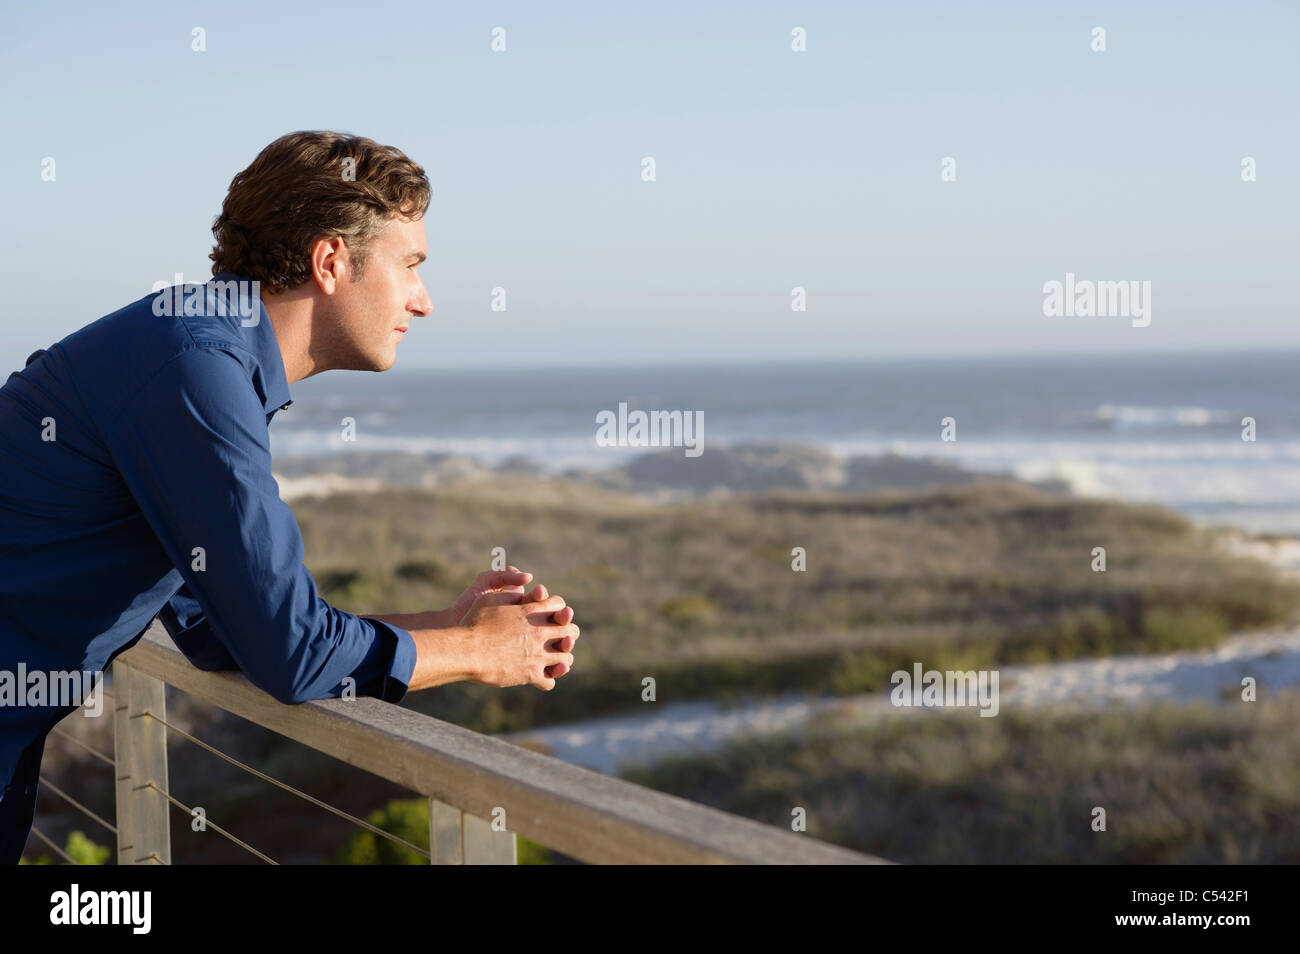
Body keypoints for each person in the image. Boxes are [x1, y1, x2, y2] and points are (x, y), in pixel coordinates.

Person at [0, 130, 579, 864]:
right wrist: (474, 652)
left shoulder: (193, 347)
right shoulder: (195, 369)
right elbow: (292, 655)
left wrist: (444, 624)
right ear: (331, 261)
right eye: (411, 266)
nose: (424, 301)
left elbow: (221, 631)